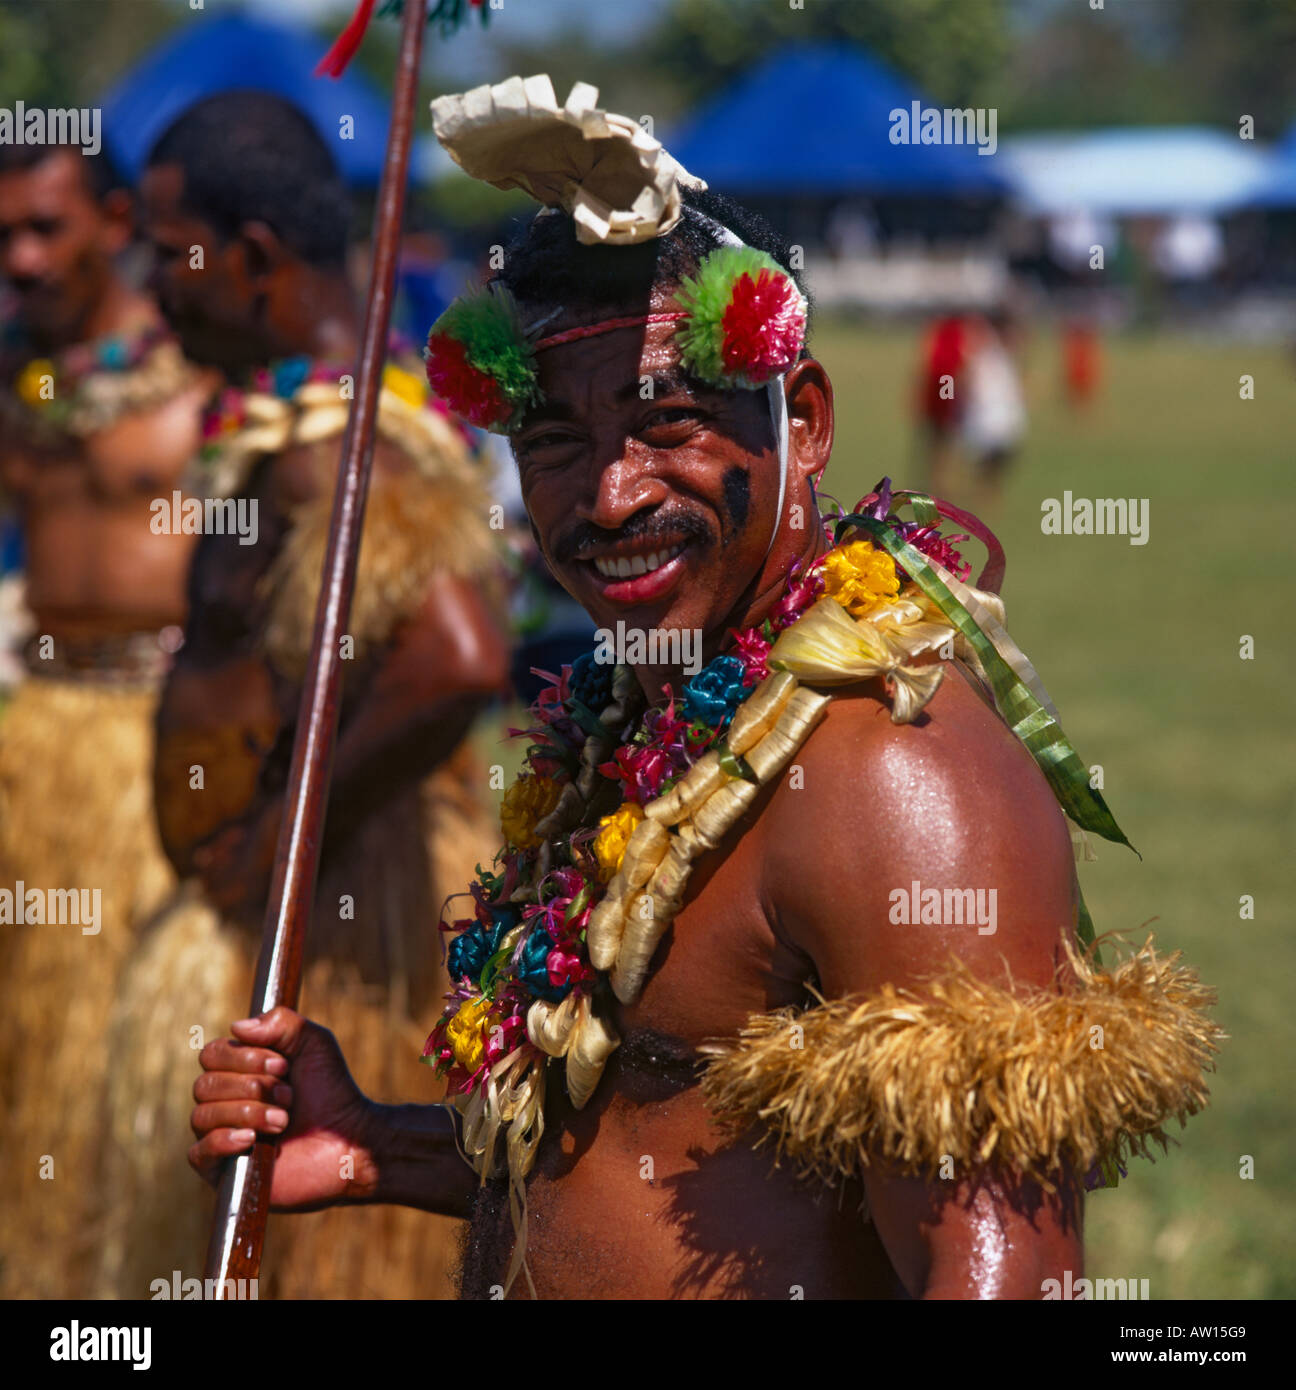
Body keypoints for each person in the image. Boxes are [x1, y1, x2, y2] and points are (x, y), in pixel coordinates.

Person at [188, 78, 1221, 1300]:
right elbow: (652, 1152)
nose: (611, 497)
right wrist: (373, 1143)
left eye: (666, 421)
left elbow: (993, 1275)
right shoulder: (650, 720)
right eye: (557, 445)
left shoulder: (891, 778)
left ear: (809, 423)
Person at [103, 91, 510, 1300]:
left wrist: (288, 825)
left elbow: (459, 654)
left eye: (171, 247)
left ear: (255, 256)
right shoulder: (301, 425)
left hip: (335, 947)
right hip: (295, 927)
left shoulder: (339, 443)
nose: (153, 280)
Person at [0, 141, 211, 1298]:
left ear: (118, 217)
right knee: (30, 1048)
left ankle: (127, 1282)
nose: (21, 261)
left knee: (119, 1056)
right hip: (37, 738)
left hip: (156, 757)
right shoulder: (23, 379)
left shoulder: (205, 372)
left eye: (45, 229)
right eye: (2, 240)